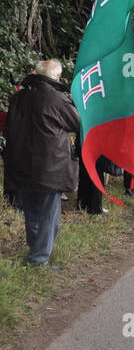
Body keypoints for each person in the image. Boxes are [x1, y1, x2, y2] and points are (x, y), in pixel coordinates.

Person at [3, 59, 79, 267]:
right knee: (48, 217)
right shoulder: (56, 98)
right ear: (55, 77)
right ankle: (39, 259)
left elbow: (7, 129)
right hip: (49, 168)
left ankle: (35, 251)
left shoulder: (19, 97)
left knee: (32, 213)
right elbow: (77, 122)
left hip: (21, 165)